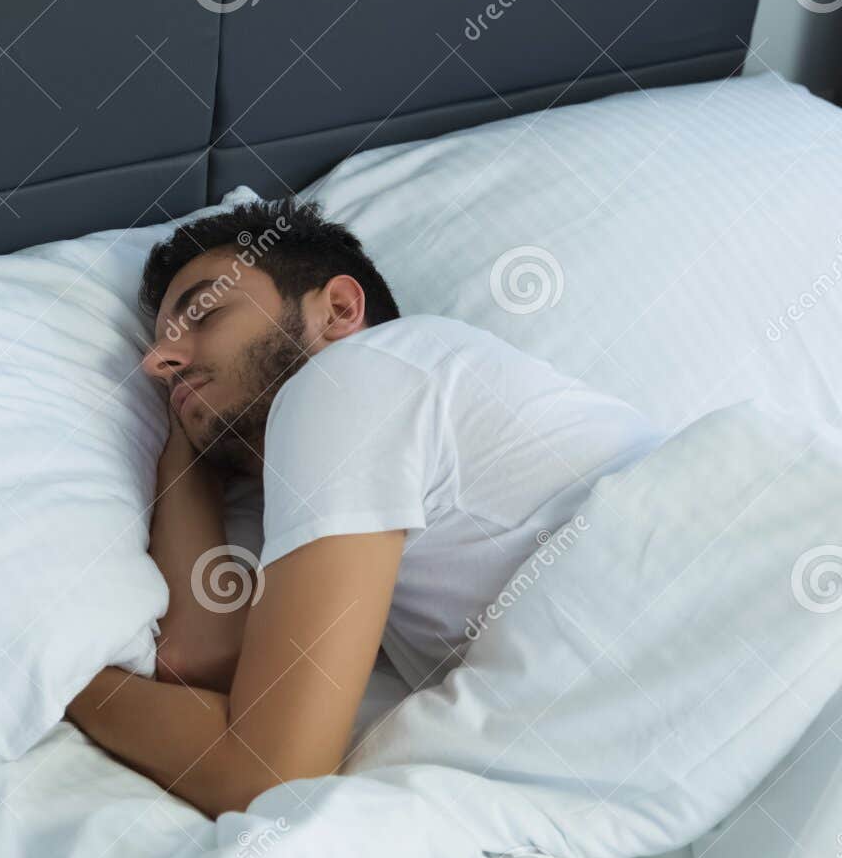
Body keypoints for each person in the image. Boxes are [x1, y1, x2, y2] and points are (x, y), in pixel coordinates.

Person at [66, 199, 659, 816]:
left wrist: (68, 681)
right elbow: (198, 658)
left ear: (342, 310)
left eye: (207, 313)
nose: (158, 360)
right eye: (163, 350)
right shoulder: (367, 443)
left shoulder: (350, 377)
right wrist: (181, 459)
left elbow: (268, 774)